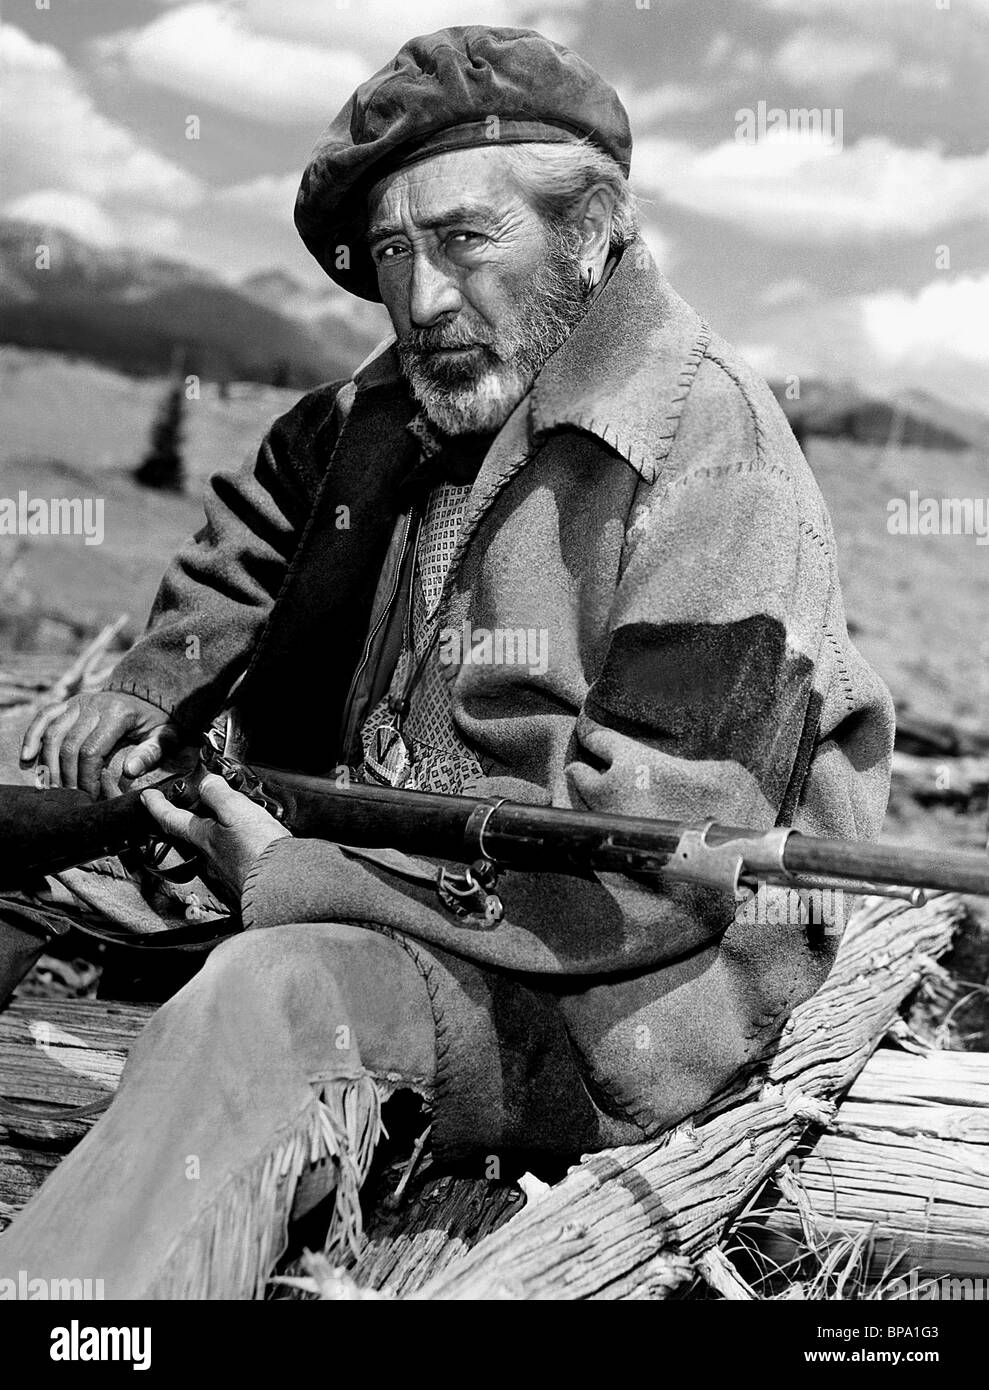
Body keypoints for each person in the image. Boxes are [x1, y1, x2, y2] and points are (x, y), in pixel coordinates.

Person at [0, 26, 894, 1299]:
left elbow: (658, 878)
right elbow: (258, 523)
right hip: (359, 850)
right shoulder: (408, 391)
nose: (420, 299)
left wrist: (301, 881)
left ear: (588, 232)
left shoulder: (712, 461)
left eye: (467, 240)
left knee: (279, 998)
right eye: (393, 254)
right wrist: (149, 684)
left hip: (597, 985)